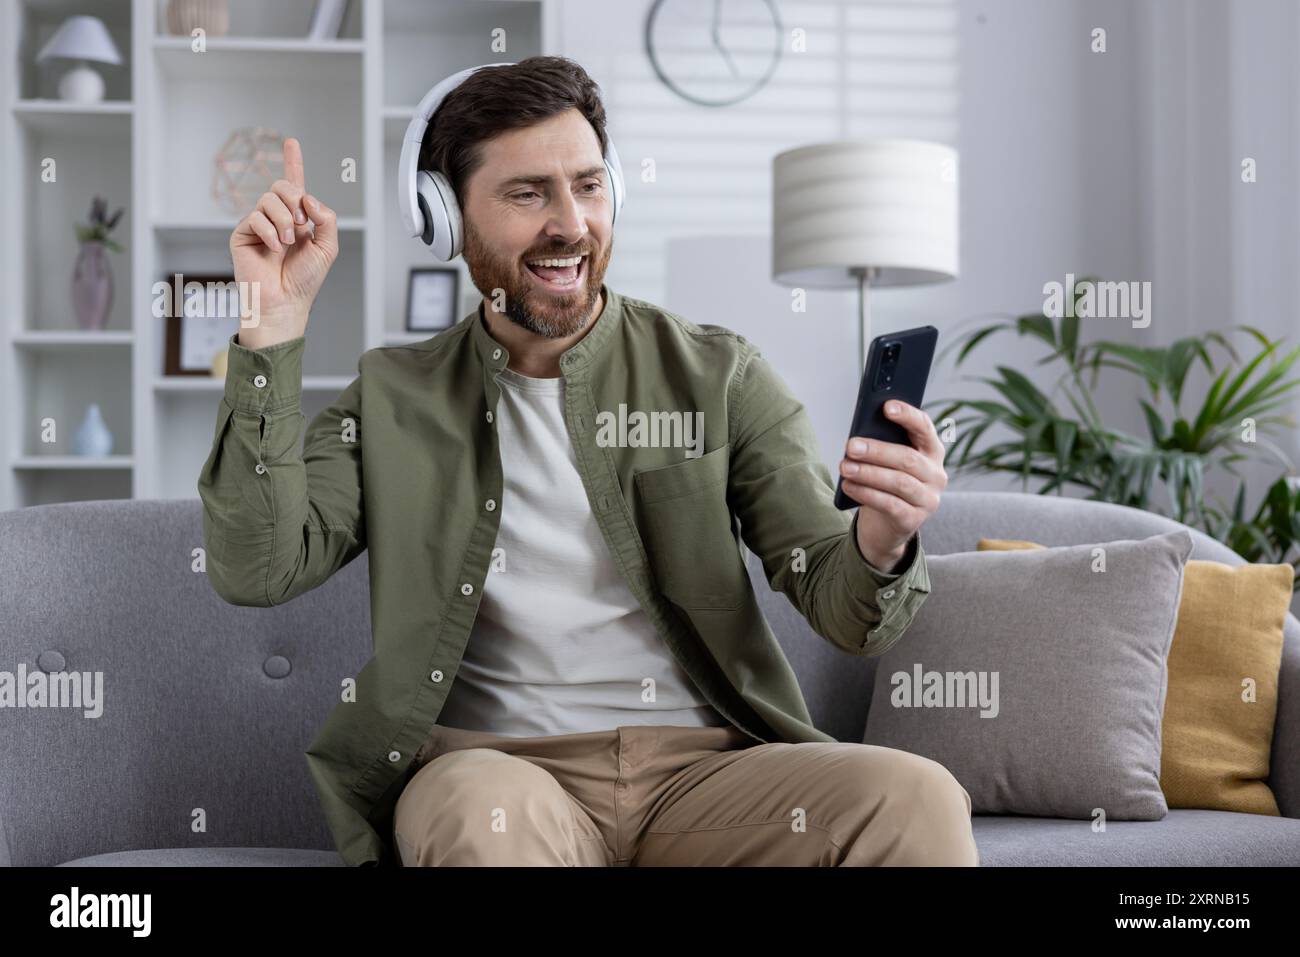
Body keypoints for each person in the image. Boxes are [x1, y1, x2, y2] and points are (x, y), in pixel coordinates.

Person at [200, 55, 974, 867]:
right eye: (528, 193)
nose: (570, 222)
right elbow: (256, 569)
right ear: (444, 218)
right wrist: (271, 323)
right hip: (496, 774)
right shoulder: (392, 396)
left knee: (915, 796)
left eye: (590, 185)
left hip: (702, 778)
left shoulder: (718, 373)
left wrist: (882, 538)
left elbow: (843, 607)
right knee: (477, 810)